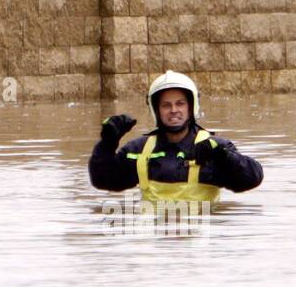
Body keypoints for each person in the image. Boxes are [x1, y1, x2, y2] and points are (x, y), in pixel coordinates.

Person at [88, 70, 263, 203]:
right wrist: (107, 143)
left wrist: (223, 156)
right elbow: (102, 180)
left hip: (200, 241)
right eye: (166, 105)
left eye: (180, 104)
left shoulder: (214, 148)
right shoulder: (138, 150)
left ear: (191, 107)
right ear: (156, 110)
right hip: (156, 241)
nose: (174, 110)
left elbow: (252, 179)